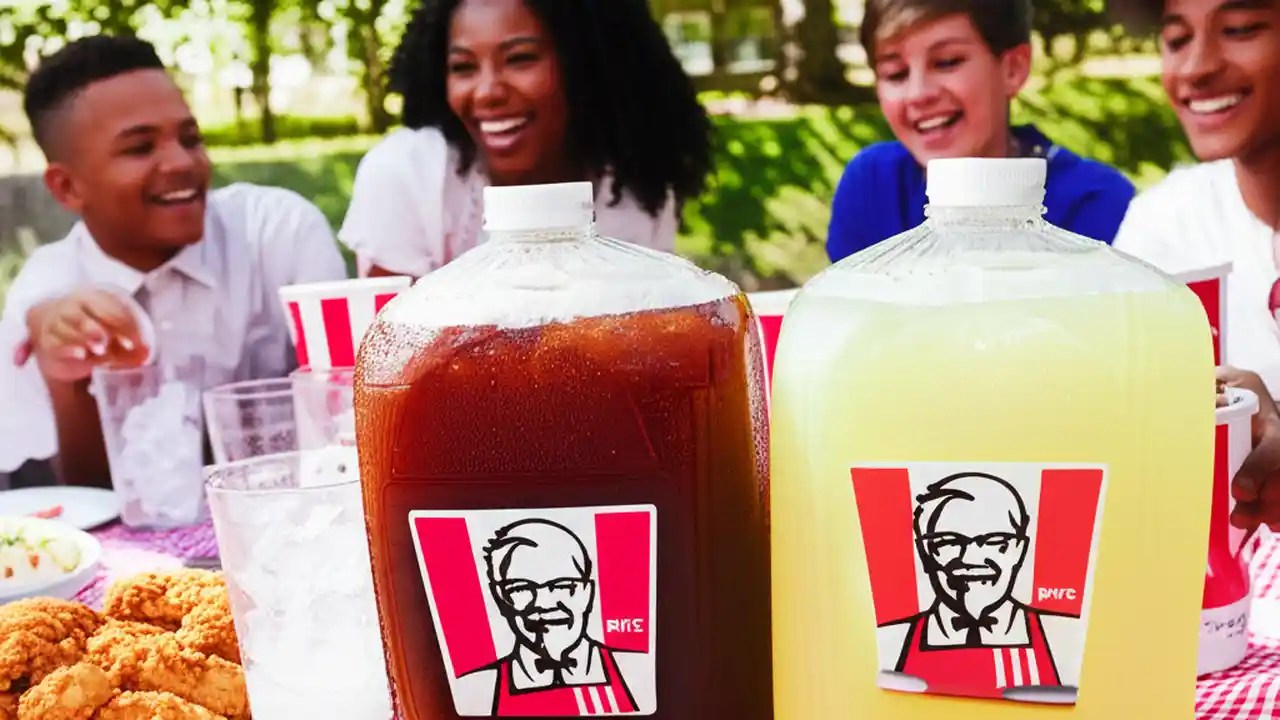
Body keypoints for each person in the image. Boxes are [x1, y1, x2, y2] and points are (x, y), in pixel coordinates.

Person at [1, 35, 346, 487]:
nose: (182, 162)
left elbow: (348, 415)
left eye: (191, 137)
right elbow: (81, 497)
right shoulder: (51, 298)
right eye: (140, 148)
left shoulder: (277, 232)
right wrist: (65, 379)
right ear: (67, 187)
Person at [338, 0, 713, 278]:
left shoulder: (636, 183)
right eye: (463, 67)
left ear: (585, 63)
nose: (487, 91)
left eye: (519, 59)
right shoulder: (407, 174)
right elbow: (390, 364)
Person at [826, 0, 1136, 262]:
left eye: (947, 62)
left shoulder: (1096, 204)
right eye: (895, 74)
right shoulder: (872, 186)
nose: (918, 93)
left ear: (1013, 69)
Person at [880, 472, 1062, 699]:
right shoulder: (893, 639)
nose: (971, 558)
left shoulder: (1059, 635)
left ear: (1019, 551)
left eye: (995, 541)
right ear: (924, 553)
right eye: (948, 541)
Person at [465, 519, 637, 714]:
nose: (544, 604)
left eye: (563, 586)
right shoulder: (478, 687)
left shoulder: (636, 673)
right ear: (499, 599)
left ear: (587, 593)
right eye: (520, 588)